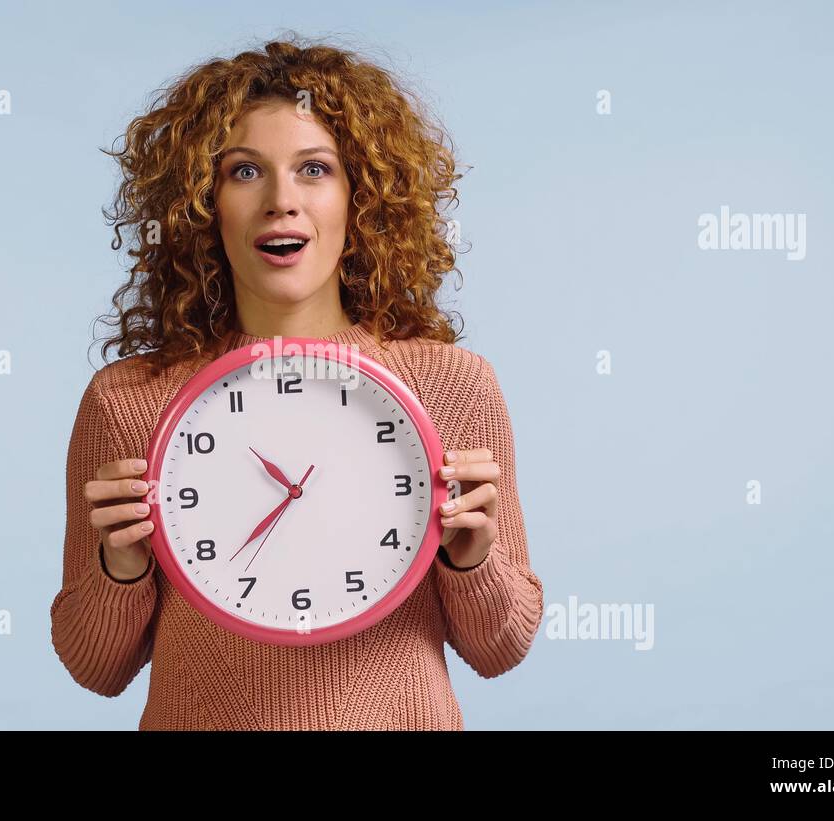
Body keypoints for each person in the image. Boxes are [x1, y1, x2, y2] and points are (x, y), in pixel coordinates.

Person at [50, 36, 543, 730]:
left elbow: (502, 648)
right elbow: (93, 666)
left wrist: (472, 559)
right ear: (203, 203)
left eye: (315, 169)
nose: (282, 200)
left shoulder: (452, 387)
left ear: (361, 197)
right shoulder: (129, 401)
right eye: (244, 172)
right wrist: (121, 565)